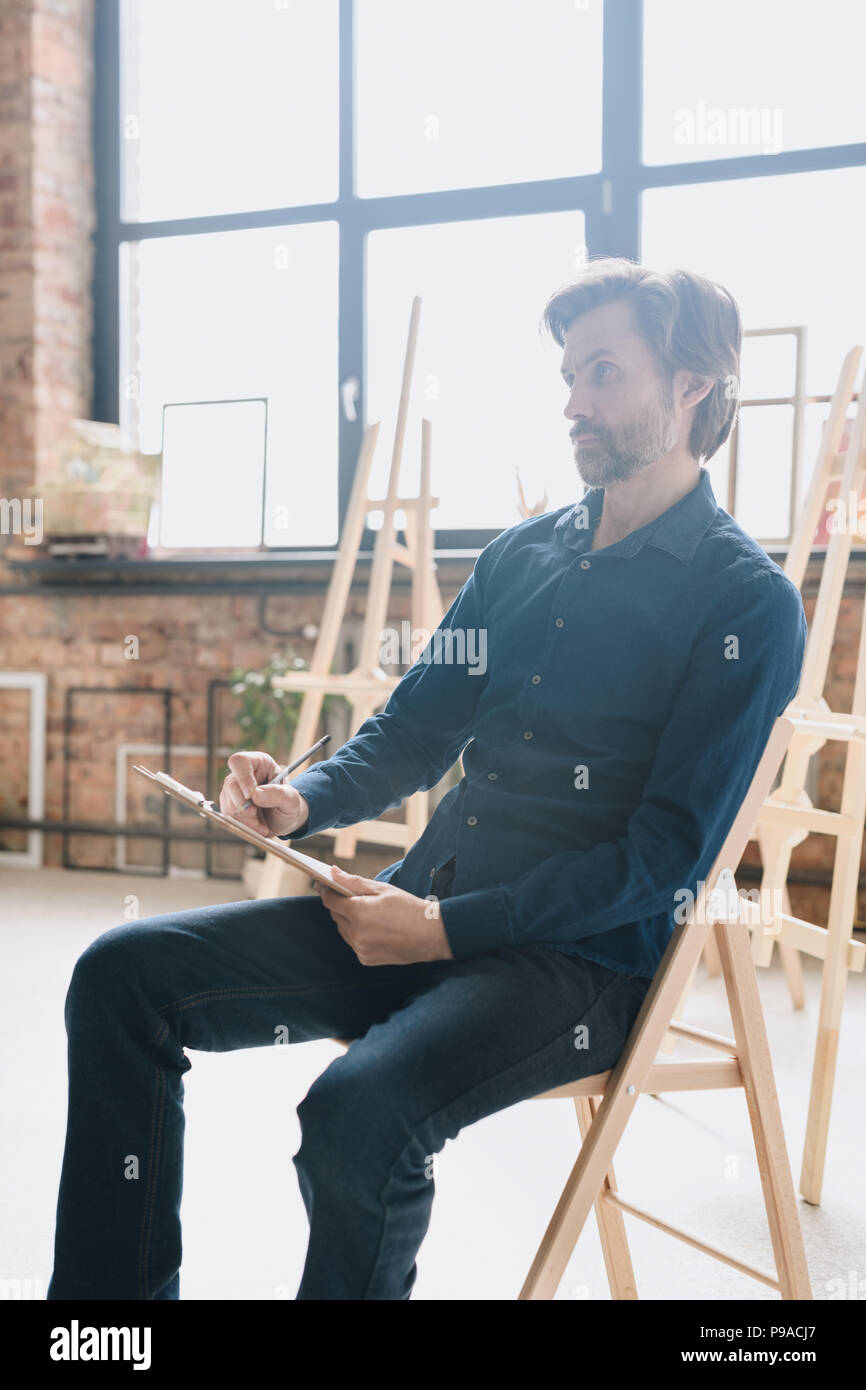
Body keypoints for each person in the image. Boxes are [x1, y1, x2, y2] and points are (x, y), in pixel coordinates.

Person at [47, 257, 807, 1301]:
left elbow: (661, 863)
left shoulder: (746, 603)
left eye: (603, 374)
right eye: (567, 377)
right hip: (413, 906)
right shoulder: (519, 555)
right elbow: (414, 729)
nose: (572, 403)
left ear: (691, 389)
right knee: (120, 975)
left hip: (572, 971)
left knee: (356, 1114)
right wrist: (302, 800)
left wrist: (444, 930)